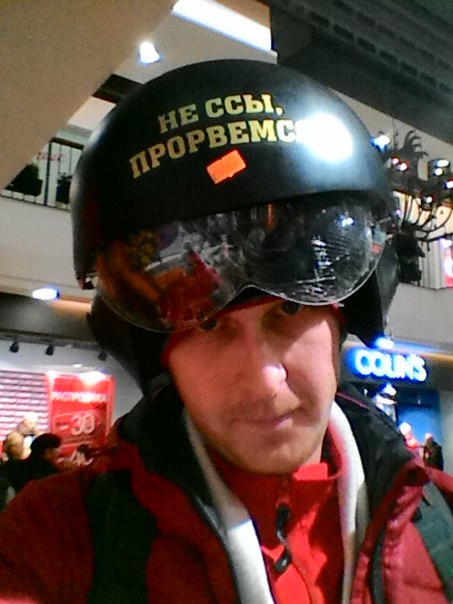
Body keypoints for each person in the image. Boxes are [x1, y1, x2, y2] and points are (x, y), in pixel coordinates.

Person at [0, 59, 453, 603]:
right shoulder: (60, 536)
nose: (263, 380)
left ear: (349, 314)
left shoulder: (443, 521)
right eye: (211, 325)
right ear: (154, 349)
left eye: (288, 311)